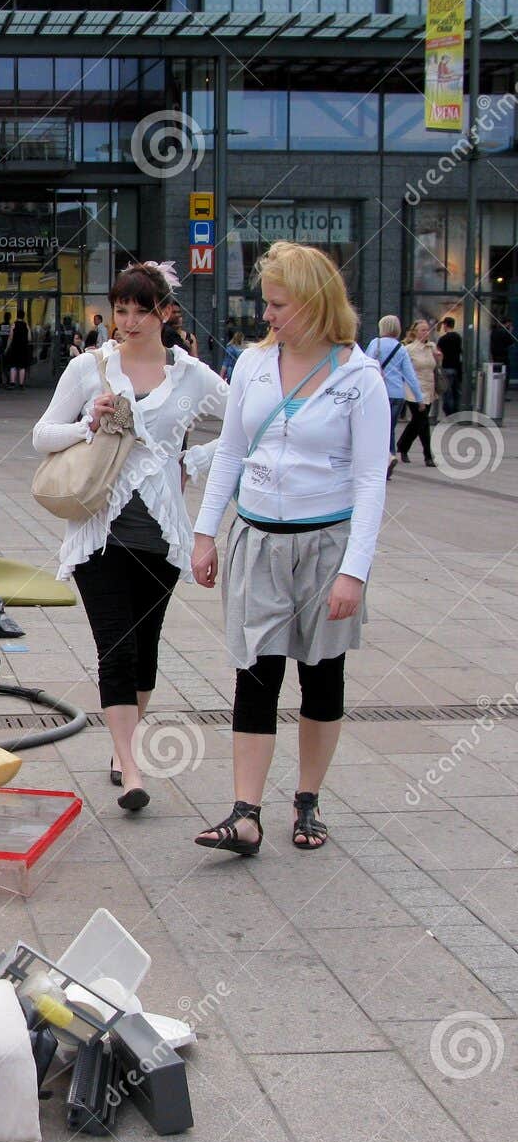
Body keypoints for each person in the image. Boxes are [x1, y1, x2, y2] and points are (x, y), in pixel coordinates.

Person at [190, 240, 390, 855]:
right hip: (257, 539)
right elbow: (229, 450)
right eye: (266, 304)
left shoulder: (360, 377)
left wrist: (352, 572)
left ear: (313, 302)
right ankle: (245, 813)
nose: (267, 316)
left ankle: (307, 801)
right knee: (255, 672)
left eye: (278, 305)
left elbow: (367, 481)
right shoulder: (253, 364)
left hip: (326, 543)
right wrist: (205, 530)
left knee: (321, 676)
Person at [33, 261, 225, 813]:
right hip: (99, 532)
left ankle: (126, 748)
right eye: (122, 309)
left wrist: (194, 459)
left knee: (144, 653)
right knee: (114, 647)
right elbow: (42, 436)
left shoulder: (191, 377)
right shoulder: (91, 368)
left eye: (143, 309)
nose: (130, 321)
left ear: (166, 311)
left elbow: (245, 425)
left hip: (161, 539)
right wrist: (86, 424)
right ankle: (132, 767)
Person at [363, 315, 423, 479]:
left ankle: (385, 459)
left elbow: (365, 366)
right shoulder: (401, 348)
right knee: (390, 428)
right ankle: (390, 456)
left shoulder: (376, 343)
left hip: (378, 392)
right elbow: (410, 375)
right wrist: (419, 398)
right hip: (397, 395)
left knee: (377, 428)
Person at [398, 318, 439, 467]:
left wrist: (438, 357)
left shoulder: (431, 346)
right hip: (414, 390)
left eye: (427, 329)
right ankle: (428, 456)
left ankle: (402, 445)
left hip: (429, 389)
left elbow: (435, 366)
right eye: (422, 330)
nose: (426, 332)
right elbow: (403, 369)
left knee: (417, 422)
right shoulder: (408, 349)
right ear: (415, 332)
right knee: (423, 422)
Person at [436, 316, 463, 414]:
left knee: (447, 391)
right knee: (457, 391)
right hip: (457, 367)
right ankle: (457, 410)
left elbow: (438, 352)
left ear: (446, 325)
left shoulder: (443, 338)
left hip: (446, 366)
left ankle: (449, 412)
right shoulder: (458, 337)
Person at [5, 310, 31, 388]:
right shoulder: (26, 325)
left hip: (14, 347)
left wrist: (7, 348)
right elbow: (29, 338)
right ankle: (21, 384)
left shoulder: (14, 325)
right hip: (23, 348)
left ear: (17, 316)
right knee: (22, 366)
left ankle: (12, 383)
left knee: (13, 366)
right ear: (23, 316)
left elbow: (10, 337)